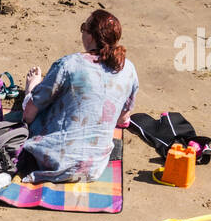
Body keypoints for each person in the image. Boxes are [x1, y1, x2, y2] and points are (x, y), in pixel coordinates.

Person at [16, 10, 139, 184]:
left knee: (38, 105)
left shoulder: (69, 64)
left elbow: (28, 115)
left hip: (53, 162)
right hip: (94, 168)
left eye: (84, 28)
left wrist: (31, 89)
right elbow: (122, 118)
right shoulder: (129, 70)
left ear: (91, 37)